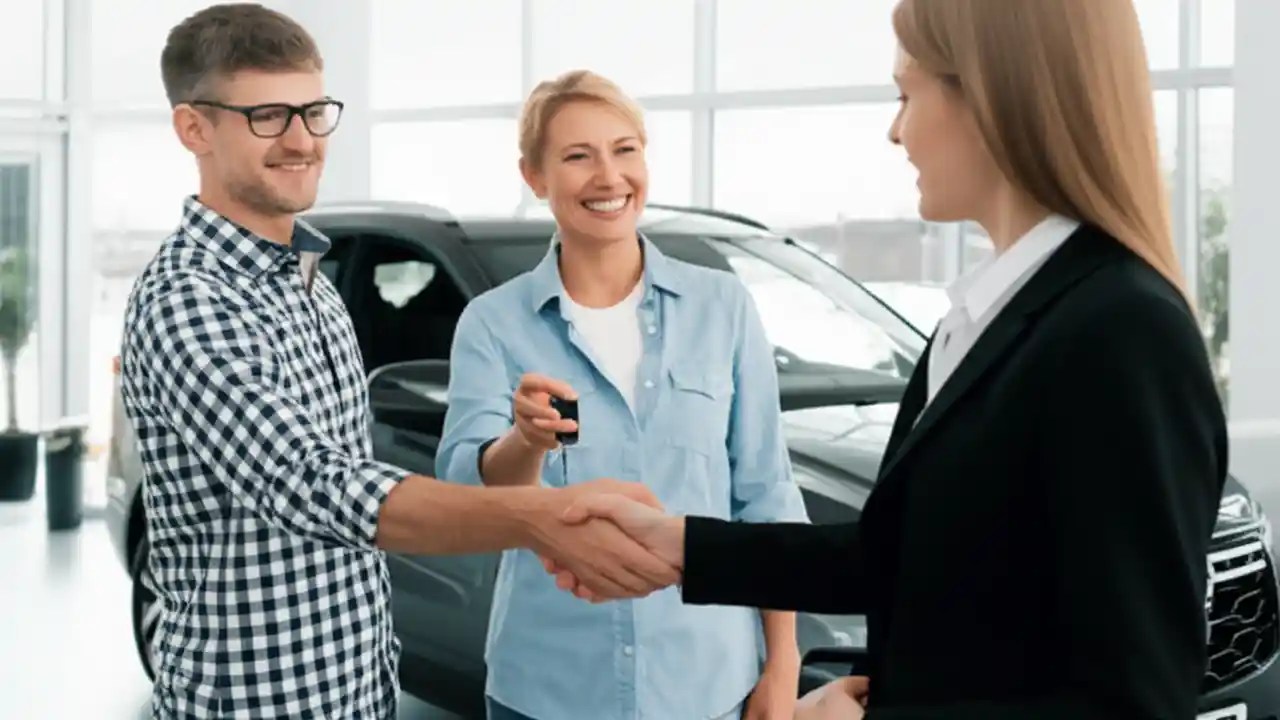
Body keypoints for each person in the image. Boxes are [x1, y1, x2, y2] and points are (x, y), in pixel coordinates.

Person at [546, 1, 1230, 718]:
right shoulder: (981, 319)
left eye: (907, 94)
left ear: (991, 97)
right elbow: (899, 560)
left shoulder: (1122, 330)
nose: (896, 131)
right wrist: (678, 545)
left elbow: (1134, 704)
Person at [119, 6, 673, 718]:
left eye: (314, 111)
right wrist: (544, 515)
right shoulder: (187, 299)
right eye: (267, 116)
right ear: (194, 128)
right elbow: (313, 485)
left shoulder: (311, 285)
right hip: (253, 704)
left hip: (356, 692)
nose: (301, 140)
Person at [435, 69, 810, 720]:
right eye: (578, 156)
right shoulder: (494, 324)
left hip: (708, 686)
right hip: (547, 690)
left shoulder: (721, 307)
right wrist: (524, 441)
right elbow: (470, 497)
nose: (609, 177)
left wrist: (783, 665)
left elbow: (767, 496)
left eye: (624, 149)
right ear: (535, 177)